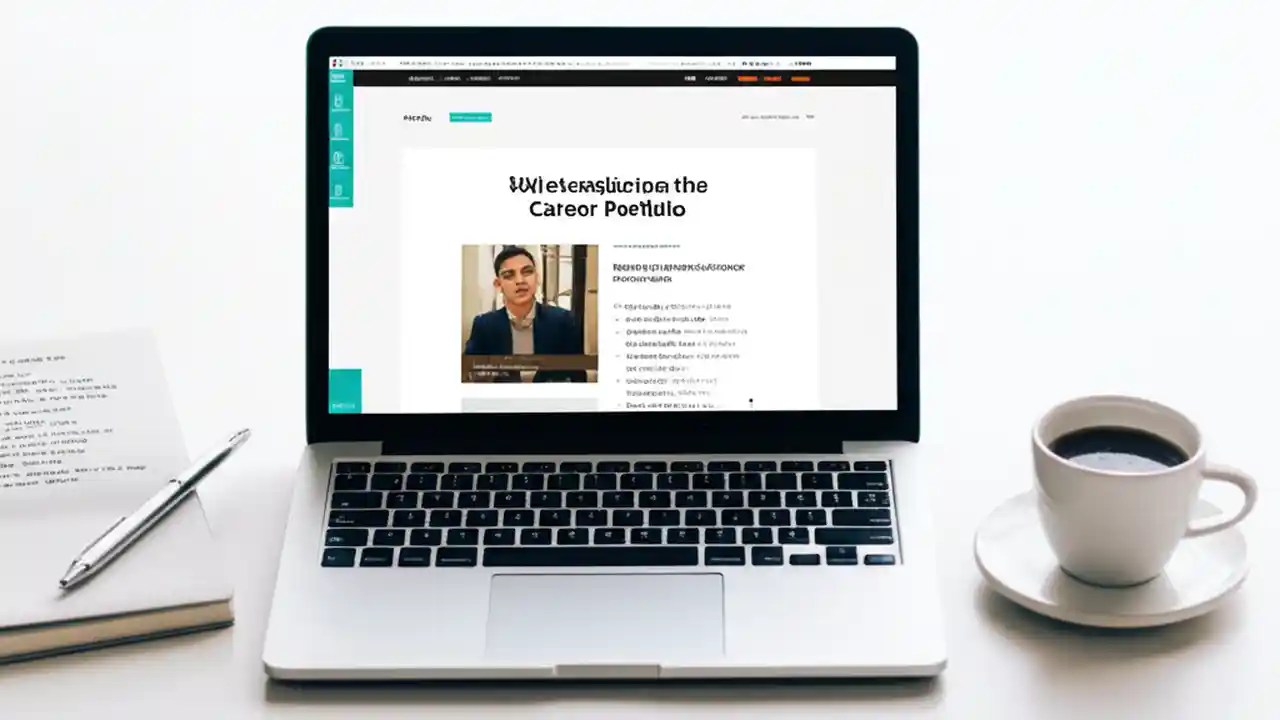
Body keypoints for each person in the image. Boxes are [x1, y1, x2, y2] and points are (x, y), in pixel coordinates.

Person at [464, 245, 586, 382]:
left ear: (537, 278)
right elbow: (471, 376)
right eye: (509, 275)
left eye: (527, 272)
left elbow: (578, 377)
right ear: (498, 284)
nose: (520, 281)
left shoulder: (563, 321)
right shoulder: (484, 326)